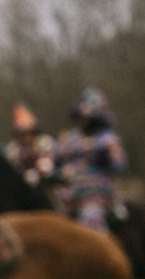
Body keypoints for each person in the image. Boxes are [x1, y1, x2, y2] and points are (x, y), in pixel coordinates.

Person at [52, 87, 128, 233]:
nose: (83, 120)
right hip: (68, 190)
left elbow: (118, 164)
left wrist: (96, 156)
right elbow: (56, 158)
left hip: (96, 190)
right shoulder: (70, 137)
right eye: (81, 117)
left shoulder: (107, 138)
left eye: (87, 117)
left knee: (91, 216)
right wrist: (54, 168)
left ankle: (98, 241)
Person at [4, 102, 56, 191]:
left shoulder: (44, 141)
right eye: (21, 133)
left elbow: (51, 158)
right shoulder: (13, 147)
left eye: (27, 132)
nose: (25, 136)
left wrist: (44, 162)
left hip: (46, 181)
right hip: (23, 184)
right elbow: (11, 166)